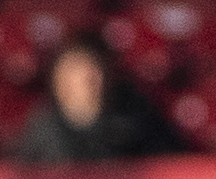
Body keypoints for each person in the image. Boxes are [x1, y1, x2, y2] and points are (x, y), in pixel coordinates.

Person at [10, 36, 165, 164]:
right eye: (76, 69)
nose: (87, 78)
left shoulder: (136, 119)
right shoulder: (43, 127)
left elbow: (169, 169)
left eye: (93, 68)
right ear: (58, 79)